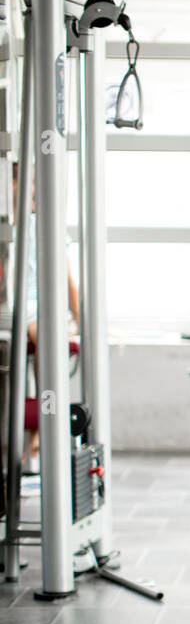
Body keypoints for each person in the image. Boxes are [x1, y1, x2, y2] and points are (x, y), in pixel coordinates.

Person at [12, 162, 81, 475]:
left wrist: (82, 322)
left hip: (36, 306)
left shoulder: (42, 226)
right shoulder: (9, 228)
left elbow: (66, 280)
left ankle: (42, 424)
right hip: (15, 304)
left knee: (43, 331)